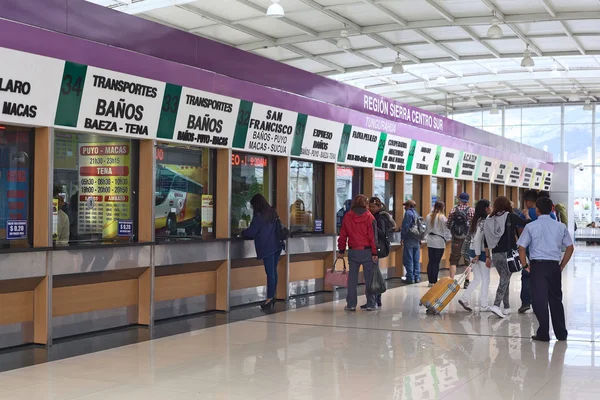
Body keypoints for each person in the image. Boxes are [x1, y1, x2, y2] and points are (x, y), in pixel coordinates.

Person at [517, 197, 574, 342]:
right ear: (552, 209)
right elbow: (570, 247)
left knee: (538, 301)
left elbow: (521, 248)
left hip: (538, 267)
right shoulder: (560, 226)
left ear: (537, 210)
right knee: (555, 300)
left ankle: (543, 333)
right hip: (554, 266)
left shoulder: (531, 226)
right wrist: (562, 265)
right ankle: (561, 334)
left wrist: (525, 266)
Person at [484, 196, 527, 318]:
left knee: (505, 279)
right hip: (508, 254)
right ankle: (496, 305)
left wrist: (488, 256)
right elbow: (525, 223)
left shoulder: (489, 219)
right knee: (504, 279)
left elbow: (486, 239)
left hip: (495, 253)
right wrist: (526, 215)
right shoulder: (510, 216)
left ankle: (506, 307)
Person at [241, 194, 285, 309]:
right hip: (277, 245)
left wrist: (242, 233)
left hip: (267, 247)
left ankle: (270, 298)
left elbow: (251, 231)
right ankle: (272, 295)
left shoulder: (259, 216)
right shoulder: (272, 211)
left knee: (270, 272)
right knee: (273, 272)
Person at [338, 194, 379, 311]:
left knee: (352, 279)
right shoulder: (369, 217)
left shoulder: (348, 216)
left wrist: (341, 250)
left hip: (353, 251)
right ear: (365, 204)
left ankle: (351, 304)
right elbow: (373, 237)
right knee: (369, 279)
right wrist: (375, 253)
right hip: (367, 251)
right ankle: (371, 303)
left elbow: (342, 235)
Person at [519, 190, 557, 313]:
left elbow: (520, 232)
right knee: (542, 279)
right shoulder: (550, 214)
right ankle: (539, 303)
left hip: (529, 249)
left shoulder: (525, 213)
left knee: (526, 276)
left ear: (529, 201)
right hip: (545, 252)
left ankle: (525, 302)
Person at [458, 199, 492, 312]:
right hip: (480, 253)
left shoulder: (475, 220)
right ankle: (484, 304)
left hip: (472, 251)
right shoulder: (484, 222)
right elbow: (478, 238)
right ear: (486, 209)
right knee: (486, 279)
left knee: (477, 278)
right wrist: (479, 254)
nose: (491, 208)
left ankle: (464, 298)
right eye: (489, 206)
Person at [368, 196, 396, 308]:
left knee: (374, 273)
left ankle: (376, 297)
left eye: (373, 206)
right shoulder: (377, 215)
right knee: (374, 272)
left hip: (377, 247)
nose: (371, 208)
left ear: (378, 206)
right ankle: (376, 298)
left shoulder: (379, 217)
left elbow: (382, 232)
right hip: (376, 246)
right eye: (369, 206)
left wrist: (372, 226)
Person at [447, 193, 475, 285]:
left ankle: (452, 281)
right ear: (468, 200)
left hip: (456, 238)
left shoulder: (453, 210)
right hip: (468, 238)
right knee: (467, 260)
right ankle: (466, 282)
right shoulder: (471, 210)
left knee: (454, 260)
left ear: (459, 199)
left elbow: (448, 224)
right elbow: (474, 225)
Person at [425, 201, 448, 287]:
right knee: (436, 262)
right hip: (439, 241)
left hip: (430, 240)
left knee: (431, 261)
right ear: (442, 207)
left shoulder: (428, 216)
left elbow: (426, 229)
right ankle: (434, 280)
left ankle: (430, 281)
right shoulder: (442, 217)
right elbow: (446, 230)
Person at [401, 199, 421, 284]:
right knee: (416, 259)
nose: (404, 207)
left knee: (408, 258)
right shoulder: (416, 214)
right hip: (416, 239)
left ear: (409, 206)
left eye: (405, 205)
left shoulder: (408, 213)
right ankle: (417, 277)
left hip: (409, 238)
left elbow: (405, 227)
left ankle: (410, 277)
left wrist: (402, 238)